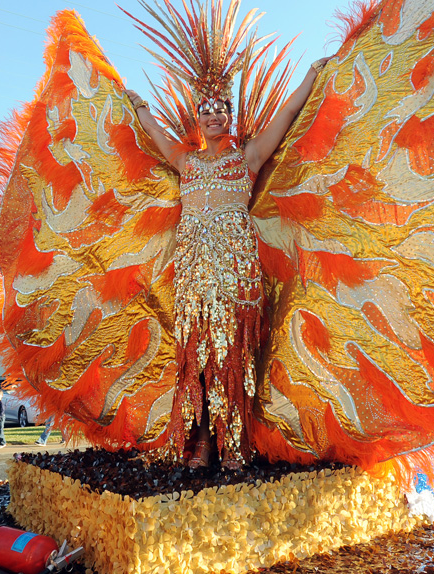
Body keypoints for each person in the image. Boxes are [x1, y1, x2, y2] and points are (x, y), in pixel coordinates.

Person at [123, 48, 328, 469]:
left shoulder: (248, 157)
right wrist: (138, 105)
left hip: (236, 273)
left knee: (232, 354)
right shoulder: (185, 161)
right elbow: (154, 131)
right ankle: (201, 441)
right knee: (195, 354)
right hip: (193, 275)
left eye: (221, 111)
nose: (214, 117)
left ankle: (232, 441)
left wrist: (311, 74)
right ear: (197, 121)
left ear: (229, 118)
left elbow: (288, 113)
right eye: (207, 112)